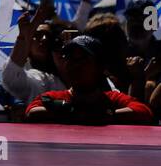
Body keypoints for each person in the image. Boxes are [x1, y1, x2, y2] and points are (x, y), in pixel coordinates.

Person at [25, 35, 153, 126]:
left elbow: (143, 112)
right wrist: (73, 111)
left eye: (83, 60)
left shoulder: (113, 99)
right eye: (70, 59)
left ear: (99, 67)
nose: (75, 66)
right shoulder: (53, 96)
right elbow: (32, 111)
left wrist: (106, 115)